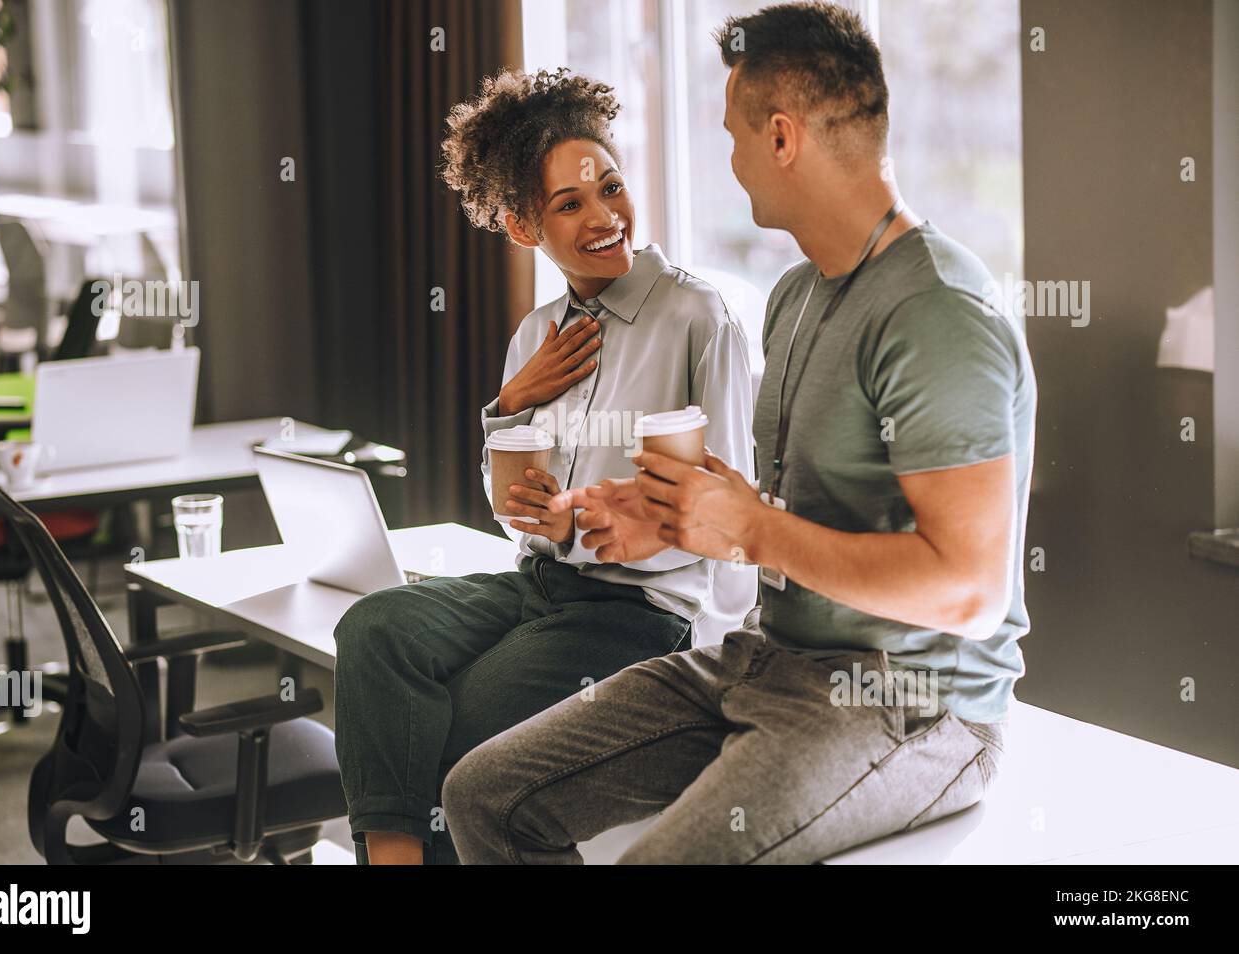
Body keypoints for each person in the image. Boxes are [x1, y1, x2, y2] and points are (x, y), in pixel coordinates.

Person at [442, 1, 1037, 864]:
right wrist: (674, 517)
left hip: (914, 704)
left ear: (784, 138)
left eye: (733, 135)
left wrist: (751, 528)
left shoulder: (935, 312)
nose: (728, 159)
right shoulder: (798, 298)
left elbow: (969, 592)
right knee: (484, 795)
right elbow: (789, 514)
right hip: (771, 657)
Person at [332, 67, 755, 864]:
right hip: (536, 585)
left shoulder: (698, 317)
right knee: (375, 630)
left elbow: (729, 519)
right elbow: (512, 509)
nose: (604, 216)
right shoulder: (535, 334)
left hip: (638, 612)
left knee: (456, 732)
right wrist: (508, 409)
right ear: (526, 227)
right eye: (569, 204)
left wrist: (715, 667)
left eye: (612, 187)